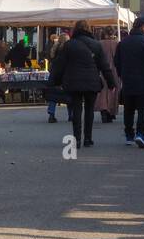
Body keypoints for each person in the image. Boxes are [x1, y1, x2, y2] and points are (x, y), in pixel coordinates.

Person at [50, 19, 117, 148]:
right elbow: (104, 66)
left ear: (75, 29)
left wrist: (55, 81)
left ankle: (77, 139)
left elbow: (60, 65)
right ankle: (88, 138)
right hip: (92, 81)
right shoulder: (96, 45)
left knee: (76, 109)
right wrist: (111, 83)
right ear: (88, 29)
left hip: (74, 81)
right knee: (89, 110)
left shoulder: (69, 45)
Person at [115, 17, 144, 148]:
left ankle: (129, 135)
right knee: (143, 110)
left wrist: (122, 74)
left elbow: (117, 62)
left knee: (128, 110)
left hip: (127, 81)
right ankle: (140, 134)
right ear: (142, 27)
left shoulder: (123, 43)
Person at [44, 28, 69, 122]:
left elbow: (52, 60)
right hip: (65, 74)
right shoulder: (68, 49)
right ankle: (71, 115)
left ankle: (51, 114)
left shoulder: (55, 49)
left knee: (53, 96)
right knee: (69, 94)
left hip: (54, 73)